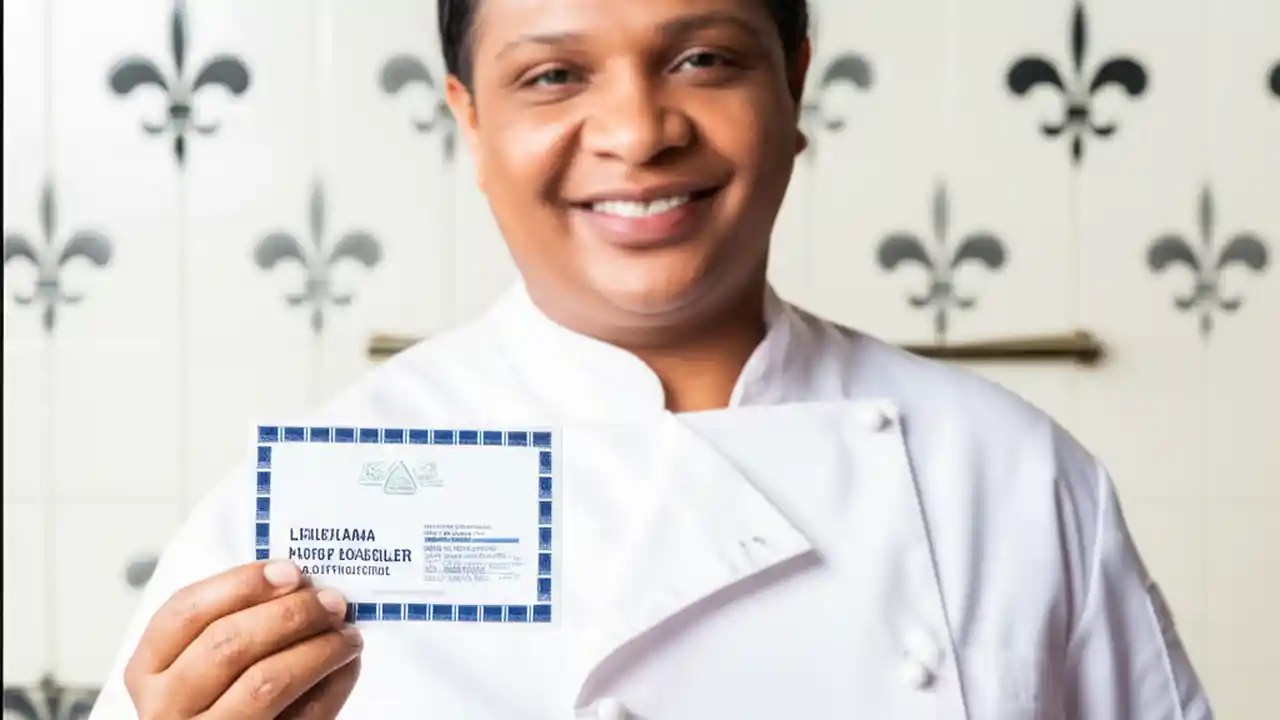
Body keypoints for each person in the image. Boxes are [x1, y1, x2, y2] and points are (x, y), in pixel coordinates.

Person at [89, 0, 1213, 717]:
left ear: (794, 87)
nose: (637, 130)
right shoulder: (312, 494)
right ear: (469, 121)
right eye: (552, 76)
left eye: (702, 57)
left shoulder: (1008, 472)